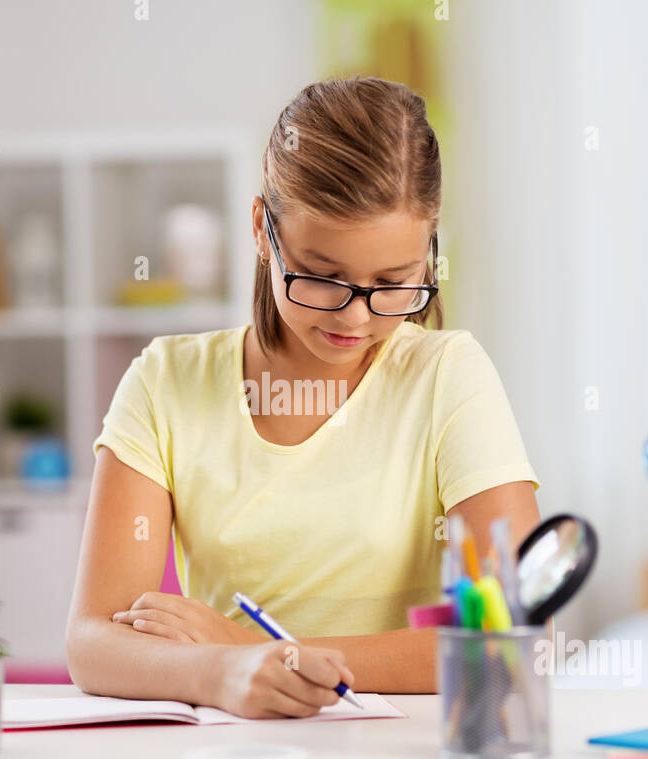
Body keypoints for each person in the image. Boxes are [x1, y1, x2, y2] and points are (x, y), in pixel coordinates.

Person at [66, 76, 539, 718]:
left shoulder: (448, 375)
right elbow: (95, 642)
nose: (356, 317)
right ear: (264, 232)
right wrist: (222, 675)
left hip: (404, 758)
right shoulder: (165, 381)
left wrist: (249, 652)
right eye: (324, 277)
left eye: (393, 283)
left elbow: (503, 638)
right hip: (235, 755)